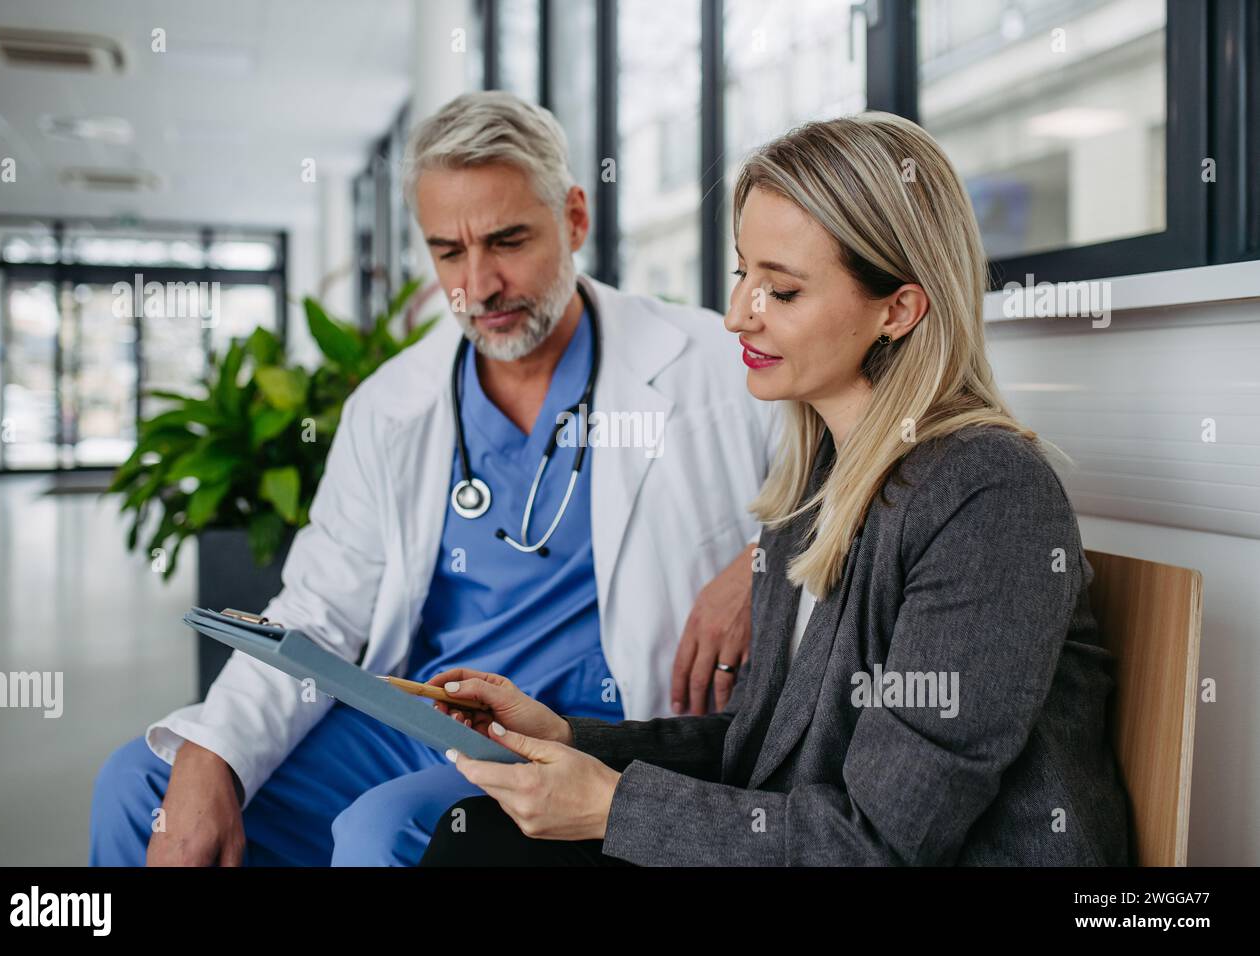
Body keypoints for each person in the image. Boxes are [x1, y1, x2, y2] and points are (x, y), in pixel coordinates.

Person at [417, 112, 1132, 866]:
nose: (735, 317)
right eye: (742, 275)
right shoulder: (816, 485)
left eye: (781, 292)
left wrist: (610, 805)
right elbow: (764, 746)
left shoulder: (987, 499)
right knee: (483, 837)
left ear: (898, 309)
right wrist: (567, 737)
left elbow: (880, 844)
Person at [89, 91, 775, 867]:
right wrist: (214, 750)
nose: (476, 286)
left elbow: (869, 471)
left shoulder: (713, 364)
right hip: (424, 719)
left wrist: (763, 562)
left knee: (388, 833)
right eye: (449, 251)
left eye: (508, 241)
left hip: (580, 735)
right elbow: (318, 607)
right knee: (142, 785)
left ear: (575, 218)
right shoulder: (393, 404)